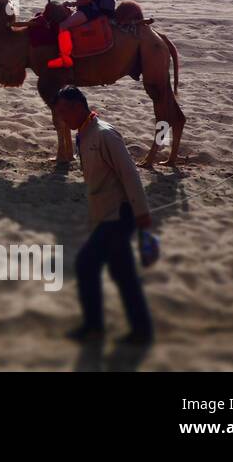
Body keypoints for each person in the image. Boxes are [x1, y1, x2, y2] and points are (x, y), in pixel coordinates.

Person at [54, 86, 156, 346]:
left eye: (64, 112)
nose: (61, 118)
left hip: (119, 214)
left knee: (86, 265)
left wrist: (142, 214)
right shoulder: (85, 133)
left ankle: (94, 328)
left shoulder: (105, 135)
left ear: (79, 107)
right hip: (106, 213)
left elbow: (129, 175)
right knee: (123, 273)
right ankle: (140, 330)